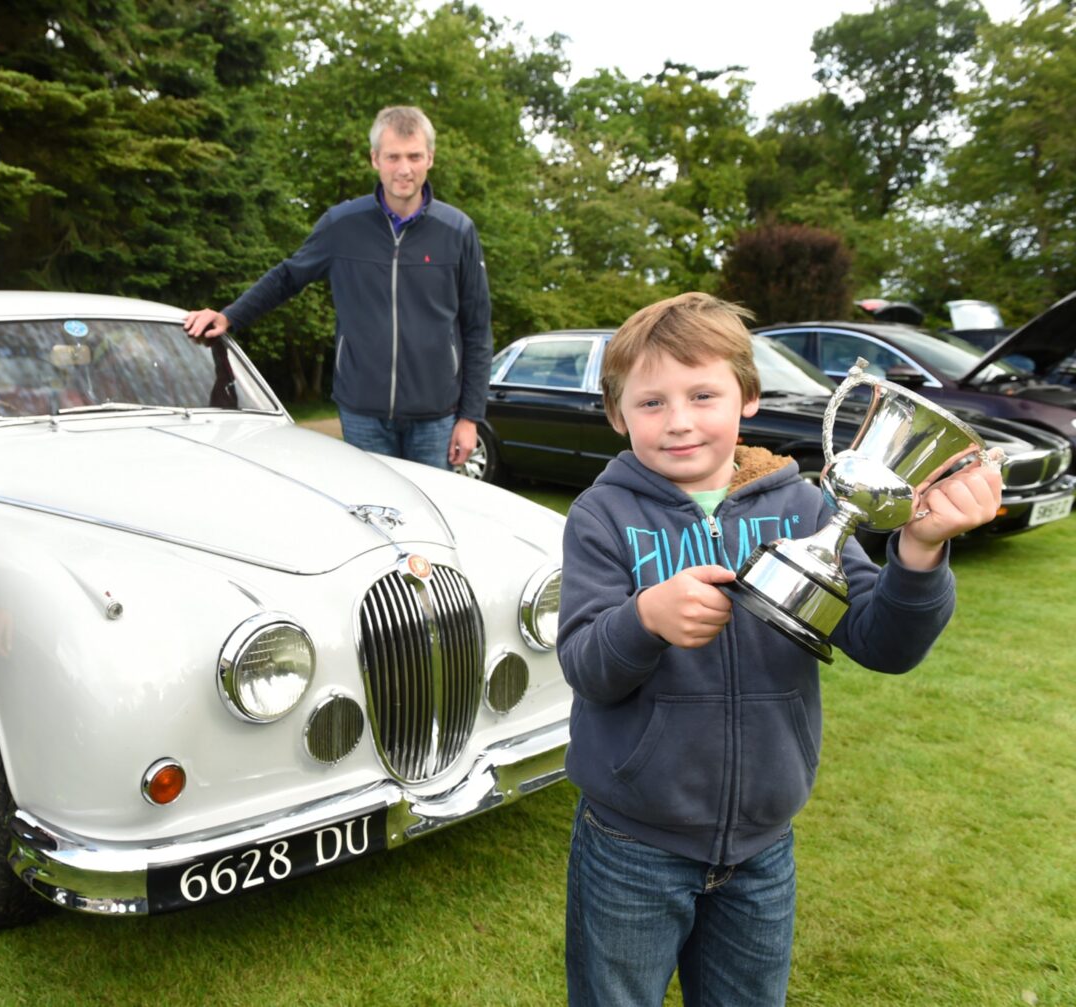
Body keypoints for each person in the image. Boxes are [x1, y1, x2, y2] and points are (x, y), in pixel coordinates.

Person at [555, 292, 1002, 1006]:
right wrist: (645, 616)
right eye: (650, 402)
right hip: (631, 844)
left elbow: (882, 643)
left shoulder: (805, 507)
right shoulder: (603, 516)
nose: (679, 420)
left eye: (704, 394)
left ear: (749, 398)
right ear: (616, 415)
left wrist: (919, 549)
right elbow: (585, 665)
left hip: (763, 847)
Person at [183, 105, 491, 470]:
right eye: (393, 157)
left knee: (431, 517)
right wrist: (230, 315)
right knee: (370, 514)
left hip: (437, 418)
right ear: (375, 159)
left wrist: (470, 418)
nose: (404, 169)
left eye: (414, 156)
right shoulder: (342, 225)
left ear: (430, 159)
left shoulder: (457, 231)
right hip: (362, 413)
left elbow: (477, 328)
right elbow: (288, 276)